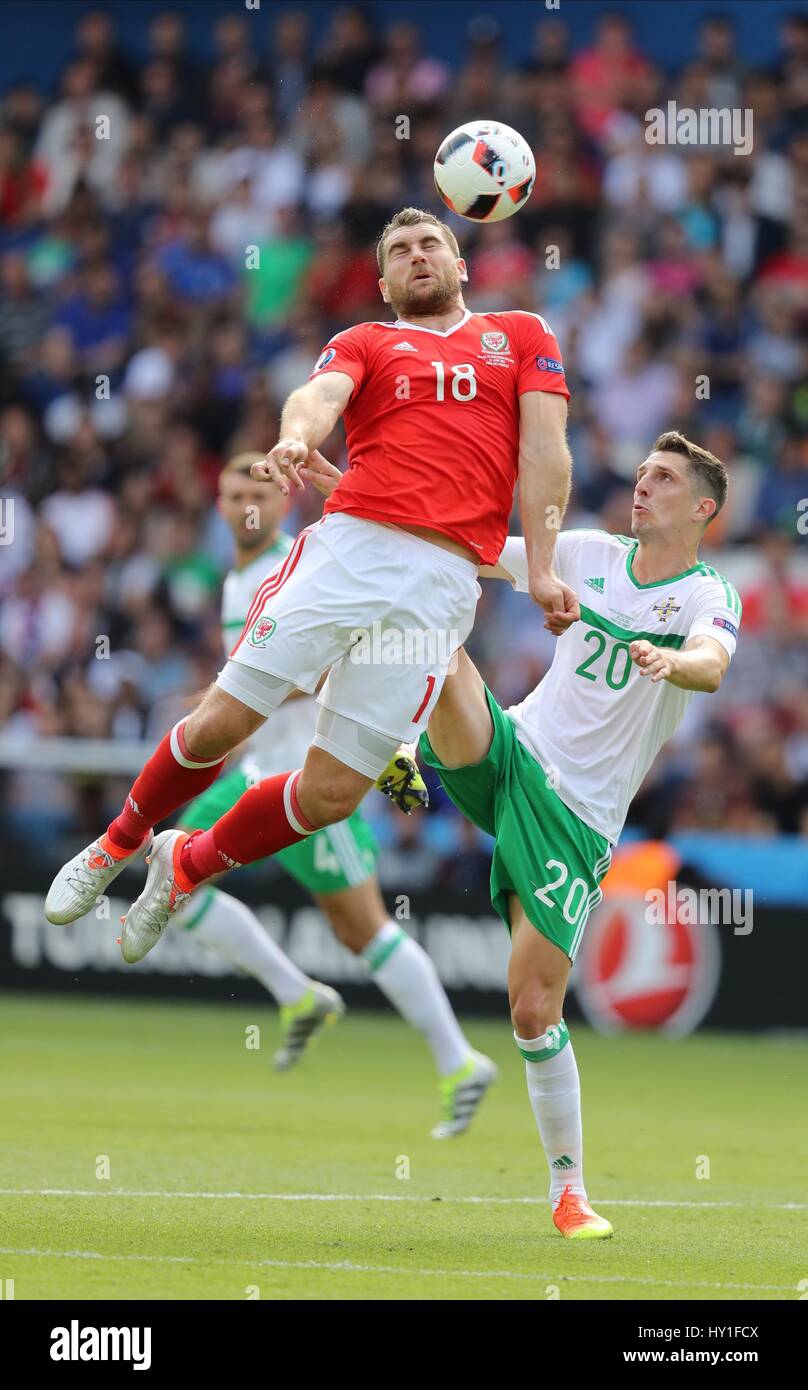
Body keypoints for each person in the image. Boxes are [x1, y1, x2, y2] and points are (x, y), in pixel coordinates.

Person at [45, 205, 574, 966]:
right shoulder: (368, 340)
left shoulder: (523, 335)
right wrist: (297, 435)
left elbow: (546, 450)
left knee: (331, 795)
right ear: (386, 282)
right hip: (352, 551)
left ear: (462, 266)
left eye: (432, 245)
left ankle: (183, 865)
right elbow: (318, 395)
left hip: (446, 585)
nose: (418, 256)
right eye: (400, 251)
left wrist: (546, 564)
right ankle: (115, 845)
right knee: (222, 724)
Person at [297, 430, 742, 1240]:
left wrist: (671, 663)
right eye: (642, 473)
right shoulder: (582, 552)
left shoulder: (708, 596)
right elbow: (457, 551)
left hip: (576, 817)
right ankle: (401, 738)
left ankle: (567, 1191)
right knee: (431, 610)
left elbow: (712, 661)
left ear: (703, 507)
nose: (643, 486)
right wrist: (349, 486)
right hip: (511, 750)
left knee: (532, 1010)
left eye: (665, 479)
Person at [173, 450, 496, 1134]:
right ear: (219, 508)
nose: (244, 506)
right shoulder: (239, 581)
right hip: (261, 774)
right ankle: (298, 995)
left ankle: (459, 1059)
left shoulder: (304, 564)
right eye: (232, 496)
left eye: (257, 492)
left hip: (310, 782)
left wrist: (389, 758)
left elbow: (333, 668)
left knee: (362, 929)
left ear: (283, 501)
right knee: (170, 875)